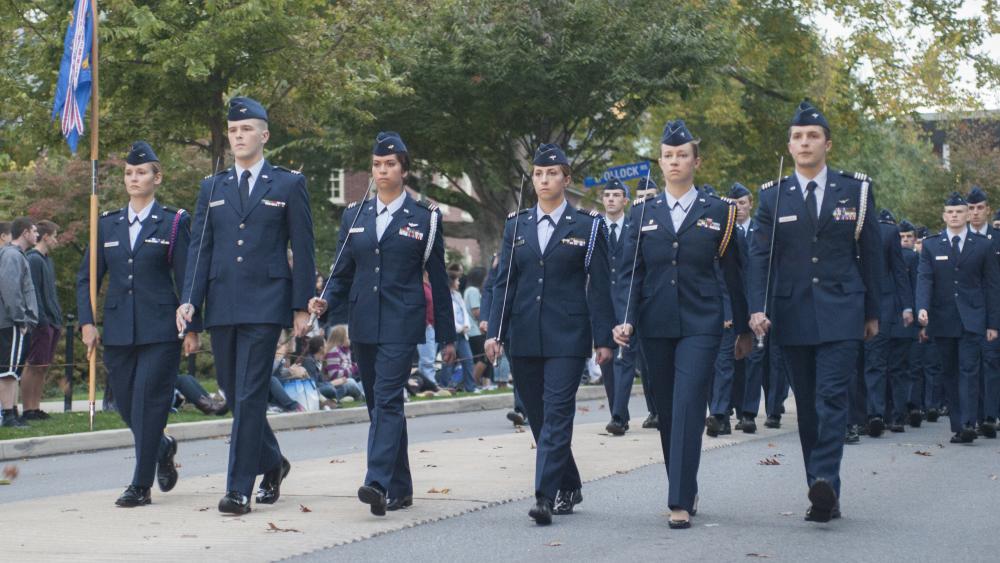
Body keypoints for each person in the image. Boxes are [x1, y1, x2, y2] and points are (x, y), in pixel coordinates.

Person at [178, 97, 315, 514]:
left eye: (246, 130)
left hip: (266, 302)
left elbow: (304, 249)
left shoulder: (288, 184)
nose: (238, 137)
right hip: (222, 302)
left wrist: (300, 307)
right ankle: (273, 462)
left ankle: (239, 488)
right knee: (236, 395)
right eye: (233, 131)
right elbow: (200, 250)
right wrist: (190, 306)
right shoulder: (213, 187)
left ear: (264, 135)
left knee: (252, 393)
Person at [309, 131, 456, 516]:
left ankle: (377, 481)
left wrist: (446, 334)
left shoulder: (426, 218)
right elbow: (342, 272)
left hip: (402, 321)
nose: (383, 170)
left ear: (404, 170)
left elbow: (439, 279)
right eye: (377, 164)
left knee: (389, 398)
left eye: (390, 164)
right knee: (379, 405)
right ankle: (402, 486)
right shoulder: (354, 215)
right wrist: (324, 303)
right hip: (363, 321)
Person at [748, 101, 882, 523]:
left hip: (843, 308)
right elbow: (759, 257)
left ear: (827, 143)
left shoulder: (855, 191)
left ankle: (825, 477)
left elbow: (872, 254)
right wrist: (757, 309)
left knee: (831, 397)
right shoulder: (773, 196)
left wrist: (873, 311)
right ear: (790, 146)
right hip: (792, 313)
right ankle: (820, 492)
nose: (805, 143)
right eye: (798, 137)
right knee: (806, 404)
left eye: (813, 136)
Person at [613, 120, 750, 529]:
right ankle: (685, 484)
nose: (675, 162)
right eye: (668, 156)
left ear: (696, 161)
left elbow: (733, 274)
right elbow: (629, 274)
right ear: (661, 161)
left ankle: (677, 500)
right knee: (669, 410)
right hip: (655, 322)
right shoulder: (642, 214)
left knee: (690, 403)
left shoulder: (719, 212)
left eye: (682, 155)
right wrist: (624, 320)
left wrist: (742, 328)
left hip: (702, 322)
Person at [486, 142, 614, 525]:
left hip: (568, 335)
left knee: (558, 414)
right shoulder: (516, 225)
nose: (544, 180)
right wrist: (495, 331)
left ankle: (545, 494)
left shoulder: (589, 227)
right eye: (539, 174)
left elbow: (602, 285)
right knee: (539, 417)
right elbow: (503, 283)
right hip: (524, 334)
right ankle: (570, 482)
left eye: (552, 173)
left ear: (566, 178)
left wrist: (603, 338)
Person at [76, 142, 200, 506]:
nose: (134, 178)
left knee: (150, 403)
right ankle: (161, 446)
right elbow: (87, 278)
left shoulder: (175, 222)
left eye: (142, 172)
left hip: (161, 328)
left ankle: (140, 484)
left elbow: (187, 278)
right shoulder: (106, 223)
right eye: (129, 173)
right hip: (117, 329)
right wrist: (87, 322)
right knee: (127, 405)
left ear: (156, 178)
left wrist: (193, 327)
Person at [916, 192, 1000, 444]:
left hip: (973, 318)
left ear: (967, 215)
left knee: (969, 370)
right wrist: (921, 307)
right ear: (944, 216)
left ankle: (968, 423)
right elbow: (925, 278)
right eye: (950, 212)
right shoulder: (931, 245)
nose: (954, 216)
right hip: (942, 318)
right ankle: (957, 423)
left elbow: (991, 286)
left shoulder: (983, 245)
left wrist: (993, 323)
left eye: (959, 211)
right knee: (950, 372)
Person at [862, 209, 913, 435]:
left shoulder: (888, 231)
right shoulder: (840, 224)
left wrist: (906, 306)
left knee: (878, 361)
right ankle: (862, 414)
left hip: (881, 305)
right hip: (849, 303)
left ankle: (877, 414)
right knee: (859, 363)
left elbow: (899, 271)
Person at [598, 178, 637, 436]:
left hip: (627, 301)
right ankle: (618, 409)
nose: (611, 199)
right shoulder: (594, 228)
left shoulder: (635, 227)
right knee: (606, 361)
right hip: (601, 303)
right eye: (607, 195)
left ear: (625, 200)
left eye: (616, 195)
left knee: (624, 358)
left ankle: (619, 417)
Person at [20, 220, 63, 420]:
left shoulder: (48, 260)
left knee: (43, 366)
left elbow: (50, 293)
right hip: (41, 322)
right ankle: (28, 409)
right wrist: (41, 319)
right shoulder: (34, 259)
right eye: (54, 236)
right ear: (45, 236)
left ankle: (36, 407)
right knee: (34, 364)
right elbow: (33, 292)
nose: (56, 240)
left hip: (53, 320)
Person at [966, 186, 1000, 438]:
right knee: (970, 364)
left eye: (980, 208)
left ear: (987, 210)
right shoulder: (959, 238)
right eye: (972, 209)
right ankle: (973, 417)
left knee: (990, 363)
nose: (976, 213)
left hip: (993, 310)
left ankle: (989, 415)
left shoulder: (996, 239)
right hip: (967, 314)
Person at [0, 217, 39, 428]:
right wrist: (20, 318)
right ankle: (8, 415)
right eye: (34, 231)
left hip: (12, 322)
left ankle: (12, 411)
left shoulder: (16, 255)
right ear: (24, 232)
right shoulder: (11, 256)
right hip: (10, 322)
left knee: (13, 370)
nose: (37, 235)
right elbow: (10, 289)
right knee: (7, 371)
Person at [632, 177, 659, 430]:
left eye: (651, 196)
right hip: (640, 306)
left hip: (664, 301)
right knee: (647, 365)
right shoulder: (633, 219)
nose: (646, 201)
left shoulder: (662, 217)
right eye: (642, 196)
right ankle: (654, 409)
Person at [892, 220, 922, 427]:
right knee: (905, 367)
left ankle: (909, 406)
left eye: (908, 237)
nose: (905, 241)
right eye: (901, 237)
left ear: (915, 239)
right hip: (900, 319)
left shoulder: (915, 258)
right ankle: (906, 407)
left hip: (906, 320)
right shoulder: (899, 257)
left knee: (908, 367)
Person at [440, 263, 477, 392]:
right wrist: (459, 327)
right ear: (451, 281)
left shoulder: (458, 295)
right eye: (457, 280)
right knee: (448, 362)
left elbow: (464, 312)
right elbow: (448, 316)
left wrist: (466, 325)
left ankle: (470, 387)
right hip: (452, 333)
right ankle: (445, 387)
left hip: (463, 334)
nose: (459, 283)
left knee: (468, 360)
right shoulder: (445, 297)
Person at [463, 267, 491, 388]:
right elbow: (476, 311)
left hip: (472, 331)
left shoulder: (468, 290)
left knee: (478, 358)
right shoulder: (473, 291)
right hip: (476, 330)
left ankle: (476, 383)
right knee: (483, 358)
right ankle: (473, 383)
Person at [322, 325, 366, 403]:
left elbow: (347, 366)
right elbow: (334, 374)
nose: (350, 339)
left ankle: (361, 396)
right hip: (338, 384)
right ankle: (362, 397)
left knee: (364, 382)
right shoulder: (334, 351)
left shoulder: (346, 350)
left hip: (347, 380)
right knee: (351, 382)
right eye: (347, 337)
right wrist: (354, 369)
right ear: (341, 338)